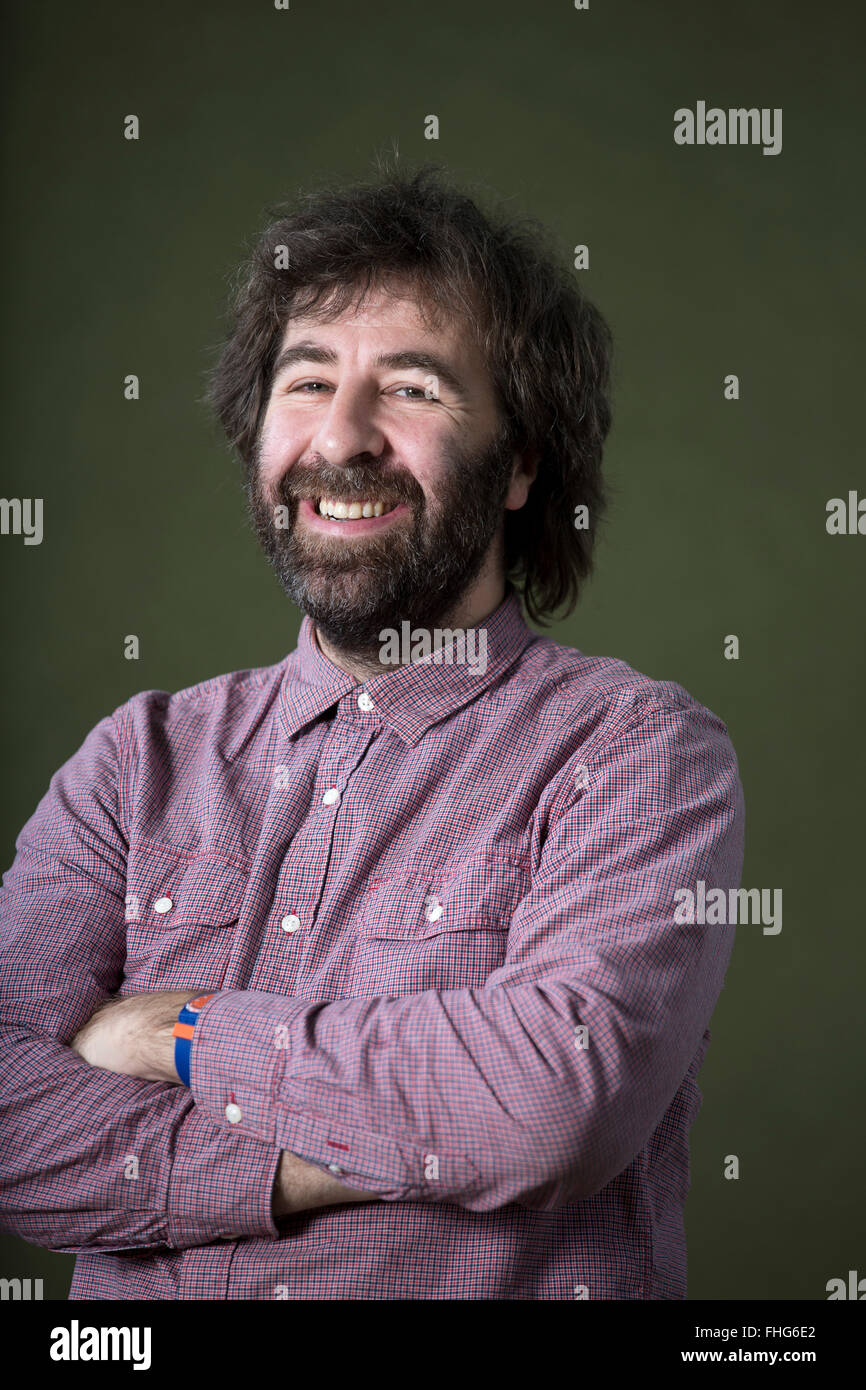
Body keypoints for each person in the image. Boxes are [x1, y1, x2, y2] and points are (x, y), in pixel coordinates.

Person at [0, 163, 744, 1299]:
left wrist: (181, 1034)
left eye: (412, 389)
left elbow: (549, 1106)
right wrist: (372, 1150)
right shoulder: (131, 762)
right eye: (305, 382)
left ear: (521, 465)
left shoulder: (633, 752)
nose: (339, 438)